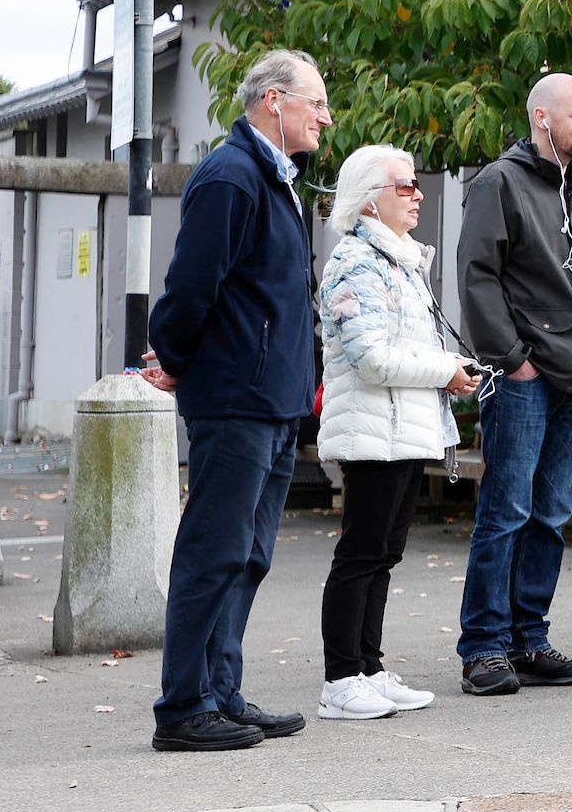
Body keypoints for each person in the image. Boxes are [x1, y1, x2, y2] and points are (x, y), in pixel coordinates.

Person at [142, 49, 330, 752]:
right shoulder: (231, 175)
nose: (325, 117)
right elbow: (191, 286)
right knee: (213, 550)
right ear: (273, 101)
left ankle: (220, 692)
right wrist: (177, 360)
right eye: (316, 102)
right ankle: (183, 707)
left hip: (273, 400)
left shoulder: (277, 179)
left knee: (248, 553)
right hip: (235, 397)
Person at [454, 73, 572, 697]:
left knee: (550, 514)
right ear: (542, 118)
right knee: (506, 512)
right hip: (525, 375)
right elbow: (478, 278)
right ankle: (485, 649)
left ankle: (529, 640)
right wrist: (513, 358)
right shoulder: (499, 181)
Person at [314, 145, 480, 719]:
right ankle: (340, 679)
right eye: (404, 186)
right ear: (369, 199)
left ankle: (368, 667)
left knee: (384, 553)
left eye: (415, 185)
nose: (418, 194)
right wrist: (446, 371)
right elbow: (371, 358)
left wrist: (450, 371)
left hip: (404, 427)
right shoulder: (355, 261)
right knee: (361, 553)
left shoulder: (401, 261)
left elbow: (409, 349)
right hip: (370, 429)